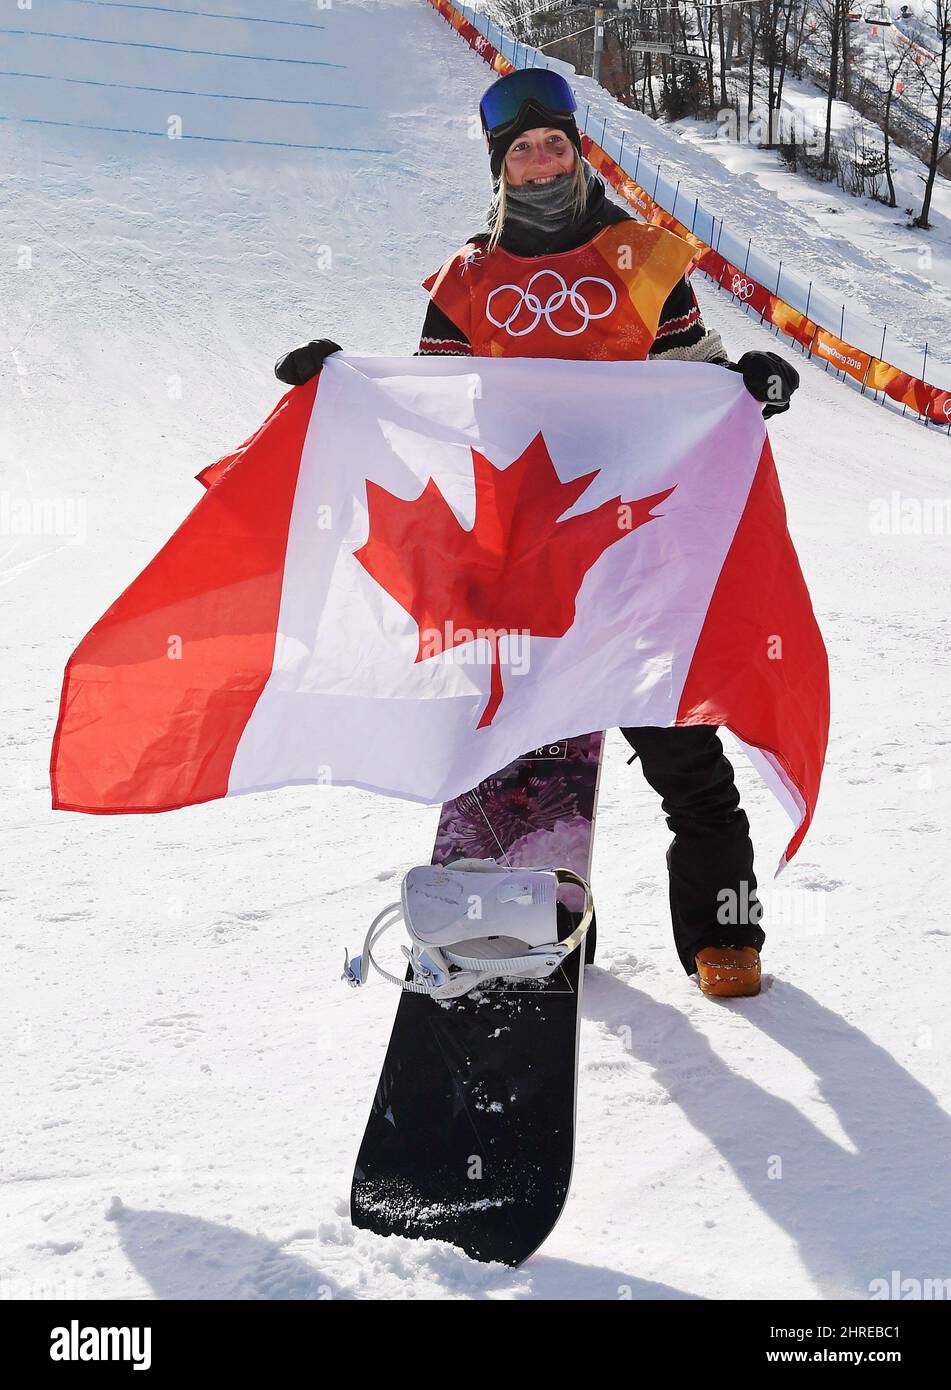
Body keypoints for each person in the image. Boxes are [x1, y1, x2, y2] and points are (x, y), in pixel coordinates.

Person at [273, 68, 801, 999]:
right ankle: (537, 924)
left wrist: (748, 380)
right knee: (521, 758)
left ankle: (725, 931)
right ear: (500, 166)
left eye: (552, 142)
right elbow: (434, 401)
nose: (540, 159)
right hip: (519, 551)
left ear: (575, 148)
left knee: (680, 740)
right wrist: (341, 383)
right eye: (521, 149)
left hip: (635, 546)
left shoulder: (643, 258)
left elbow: (695, 373)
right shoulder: (467, 280)